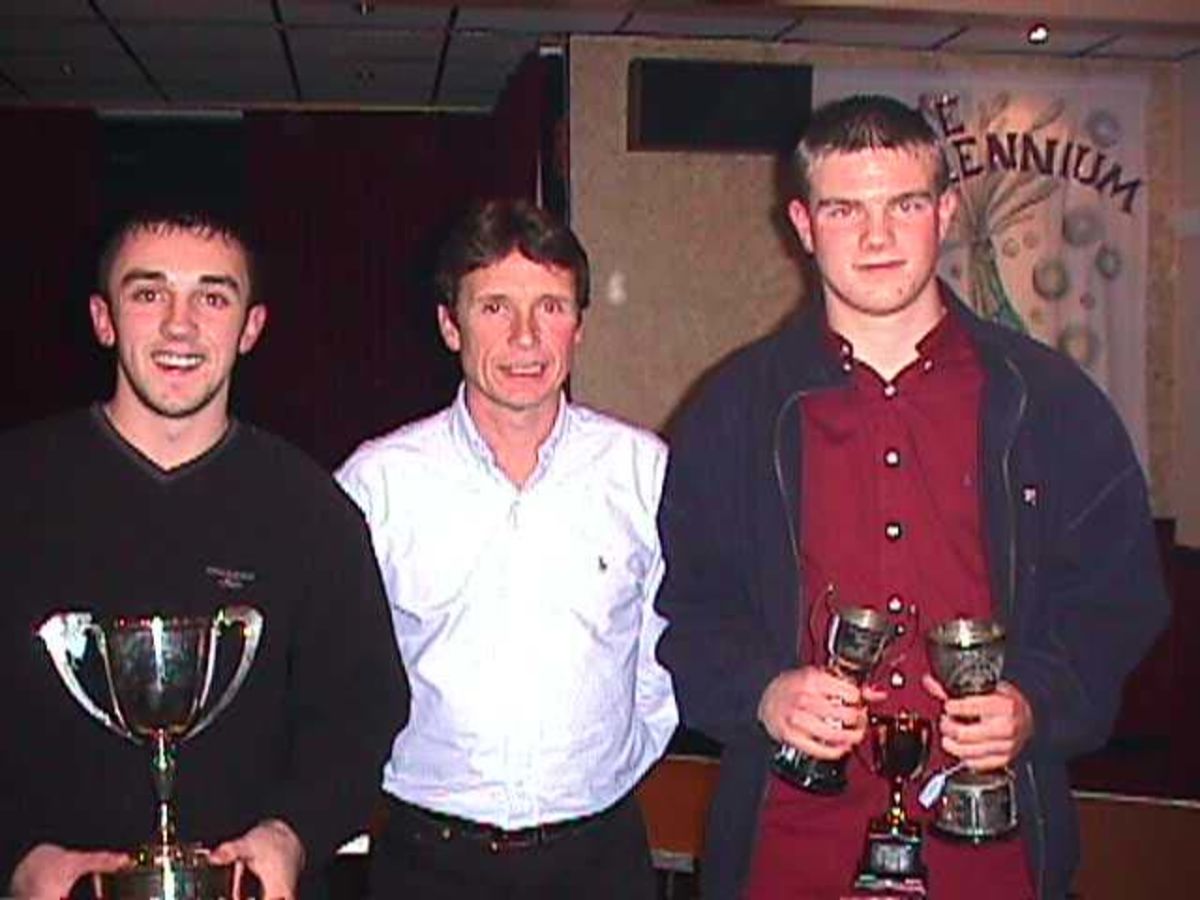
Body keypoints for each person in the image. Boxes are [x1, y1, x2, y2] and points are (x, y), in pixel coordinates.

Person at [655, 94, 1169, 900]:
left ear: (947, 211)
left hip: (994, 856)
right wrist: (764, 689)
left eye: (904, 204)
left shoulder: (1049, 400)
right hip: (790, 852)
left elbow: (1118, 598)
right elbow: (691, 609)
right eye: (844, 209)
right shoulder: (734, 410)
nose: (877, 236)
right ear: (801, 223)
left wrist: (1037, 700)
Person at [1, 210, 408, 900]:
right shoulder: (15, 490)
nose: (180, 325)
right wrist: (16, 856)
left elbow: (359, 714)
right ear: (104, 318)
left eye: (213, 298)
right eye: (149, 293)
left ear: (251, 328)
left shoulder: (312, 511)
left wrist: (291, 836)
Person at [336, 198, 677, 900]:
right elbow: (335, 672)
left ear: (578, 326)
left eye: (550, 306)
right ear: (448, 324)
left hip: (599, 859)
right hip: (428, 863)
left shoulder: (644, 473)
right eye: (494, 307)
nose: (526, 337)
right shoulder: (377, 484)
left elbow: (663, 654)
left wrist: (607, 770)